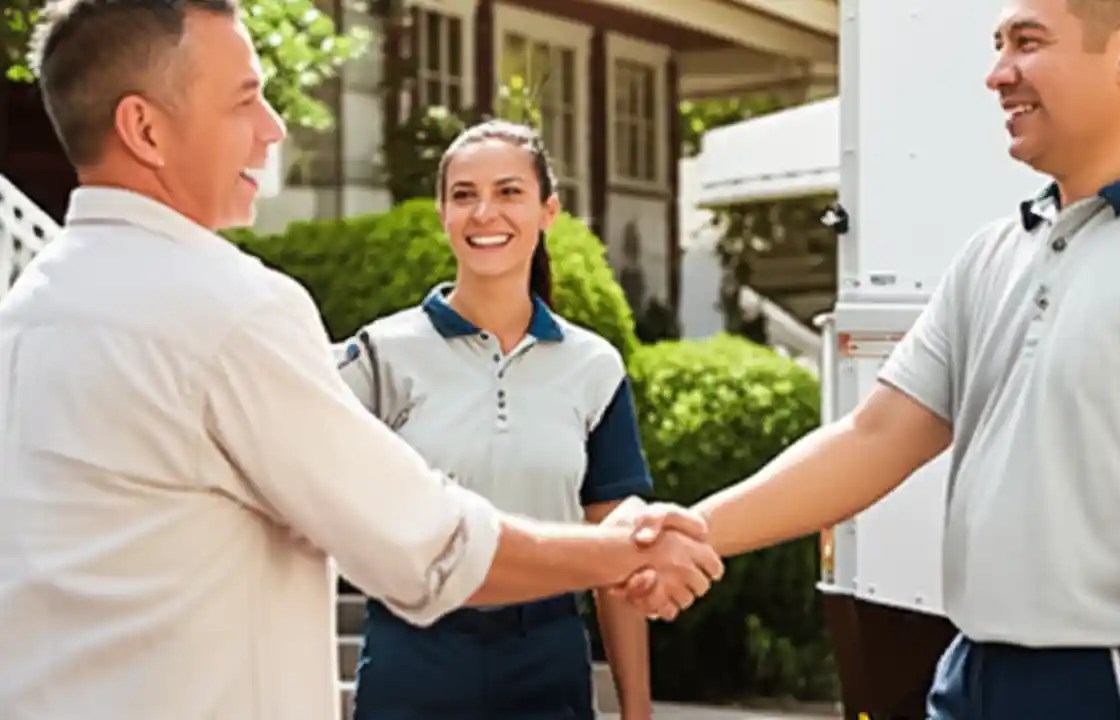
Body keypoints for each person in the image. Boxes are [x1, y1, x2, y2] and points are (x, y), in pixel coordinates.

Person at [0, 2, 722, 718]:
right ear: (145, 128)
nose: (274, 128)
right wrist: (626, 552)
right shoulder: (236, 313)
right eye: (246, 101)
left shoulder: (25, 311)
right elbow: (431, 546)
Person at [619, 0, 1120, 718]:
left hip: (1113, 687)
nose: (998, 75)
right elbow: (874, 438)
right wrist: (690, 531)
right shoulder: (994, 253)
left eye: (1027, 43)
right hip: (971, 674)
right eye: (998, 45)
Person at [335, 119, 654, 719]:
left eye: (509, 192)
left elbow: (619, 548)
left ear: (547, 211)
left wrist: (638, 710)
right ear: (443, 215)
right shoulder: (381, 353)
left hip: (548, 655)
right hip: (414, 650)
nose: (485, 213)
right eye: (464, 195)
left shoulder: (594, 367)